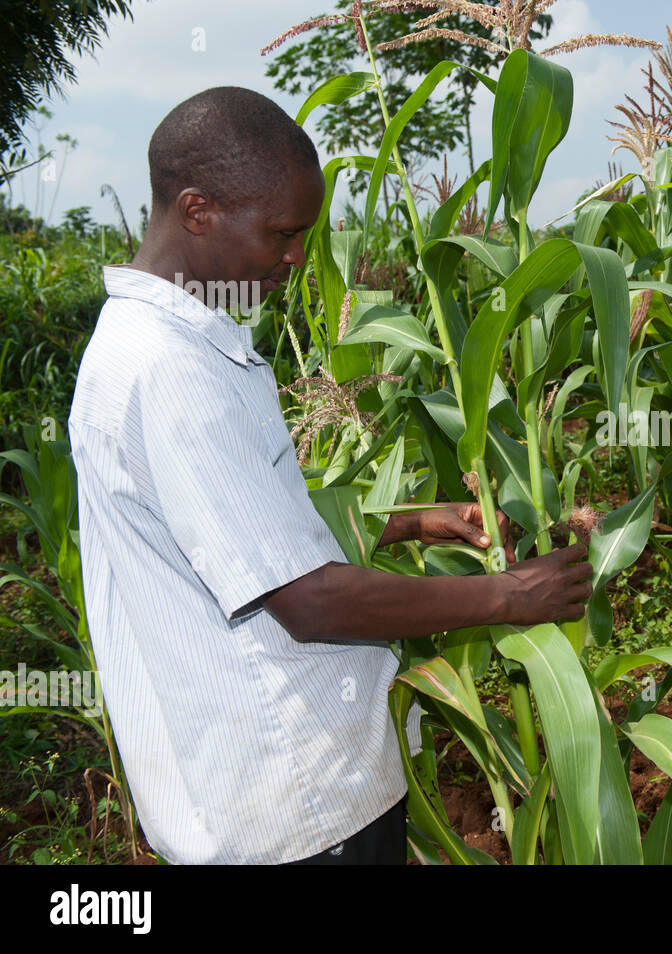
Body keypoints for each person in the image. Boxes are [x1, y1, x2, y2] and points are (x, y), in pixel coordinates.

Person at [68, 87, 593, 865]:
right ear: (197, 211)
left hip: (273, 795)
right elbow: (308, 600)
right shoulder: (170, 371)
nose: (294, 257)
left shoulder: (148, 344)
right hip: (294, 809)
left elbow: (231, 532)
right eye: (282, 234)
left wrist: (411, 521)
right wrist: (511, 596)